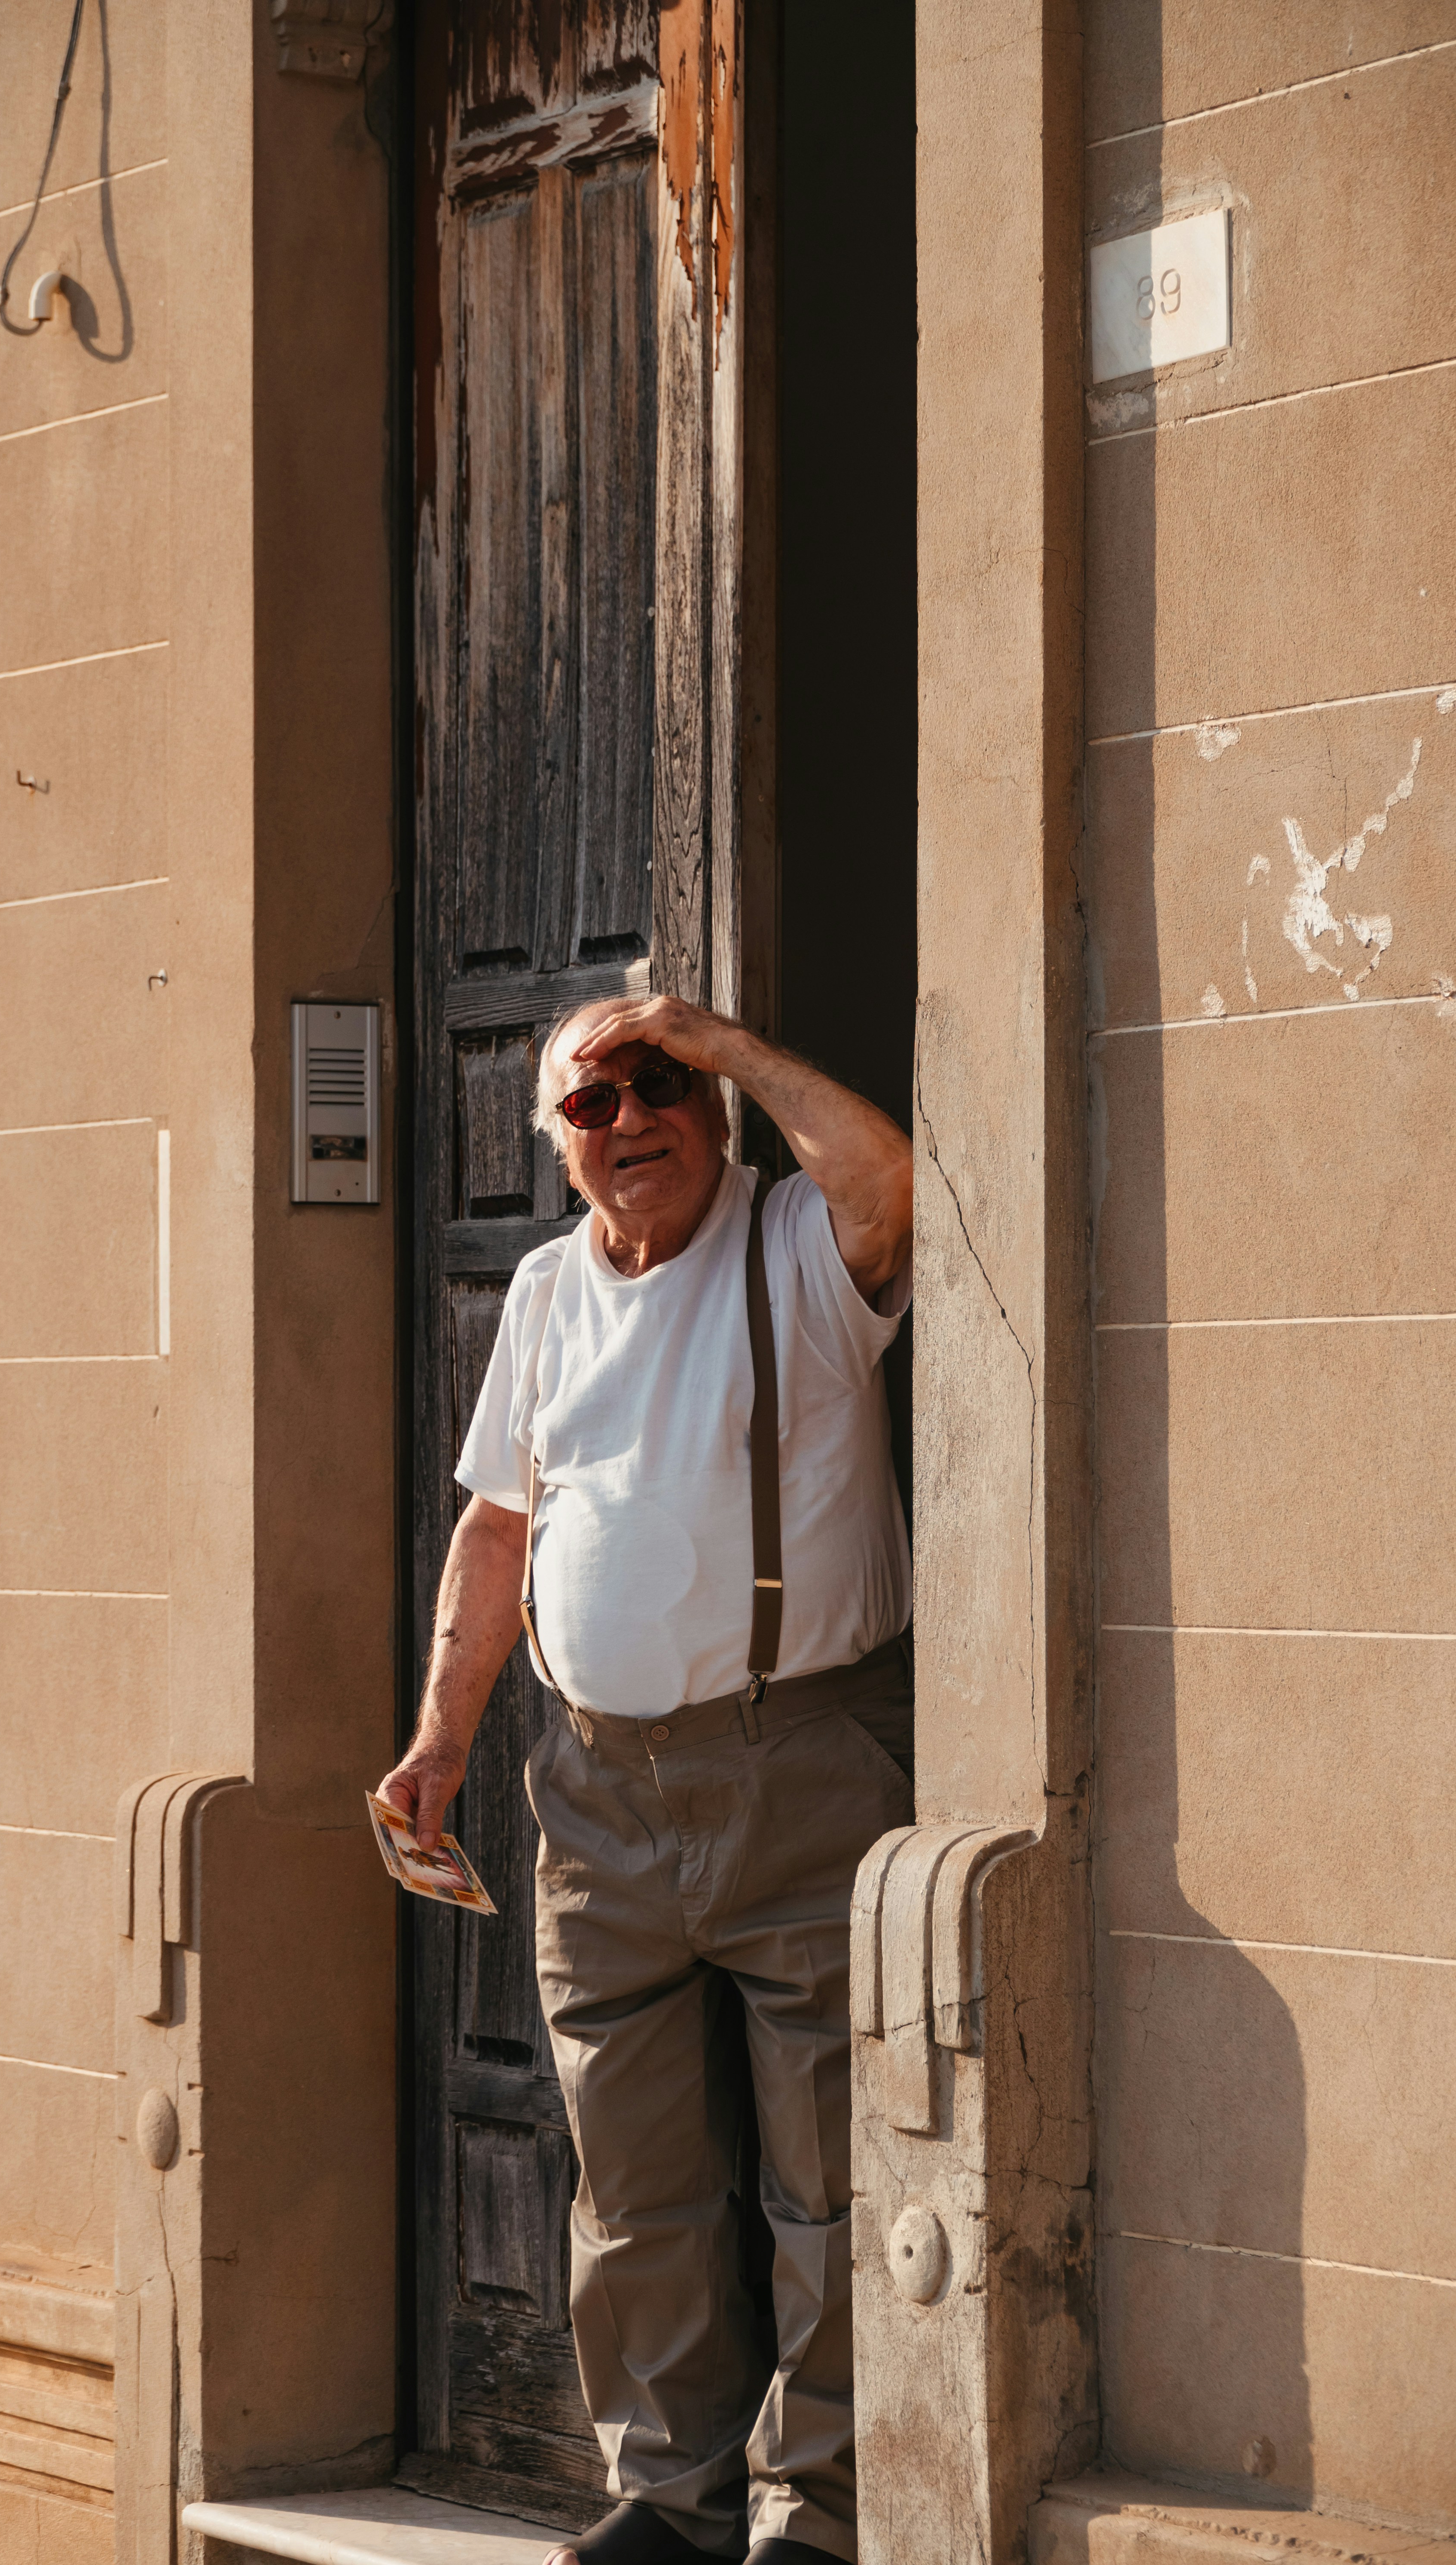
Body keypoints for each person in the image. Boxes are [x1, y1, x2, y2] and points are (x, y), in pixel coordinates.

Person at [378, 994, 914, 2565]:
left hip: (795, 1755)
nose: (629, 1121)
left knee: (826, 2161)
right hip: (593, 1788)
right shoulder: (544, 1289)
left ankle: (815, 2511)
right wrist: (442, 1734)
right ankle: (670, 2499)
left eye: (660, 1085)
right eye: (589, 1103)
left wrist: (723, 1036)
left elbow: (891, 1176)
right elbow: (497, 1525)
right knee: (631, 2168)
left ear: (719, 1104)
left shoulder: (798, 1245)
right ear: (554, 1146)